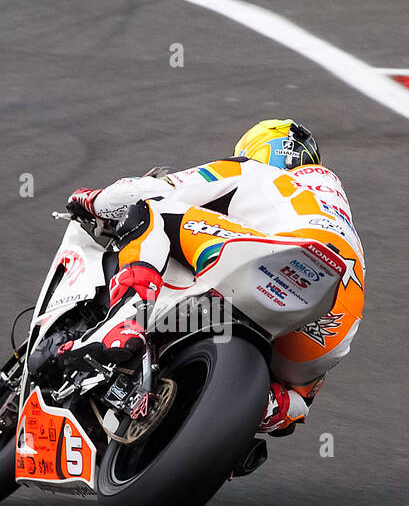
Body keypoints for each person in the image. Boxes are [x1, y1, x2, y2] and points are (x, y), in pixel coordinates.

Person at [61, 119, 365, 436]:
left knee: (151, 210)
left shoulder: (256, 172)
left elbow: (153, 190)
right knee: (296, 398)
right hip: (328, 316)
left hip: (266, 262)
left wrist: (92, 200)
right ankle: (262, 411)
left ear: (258, 150)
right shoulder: (343, 223)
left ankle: (125, 324)